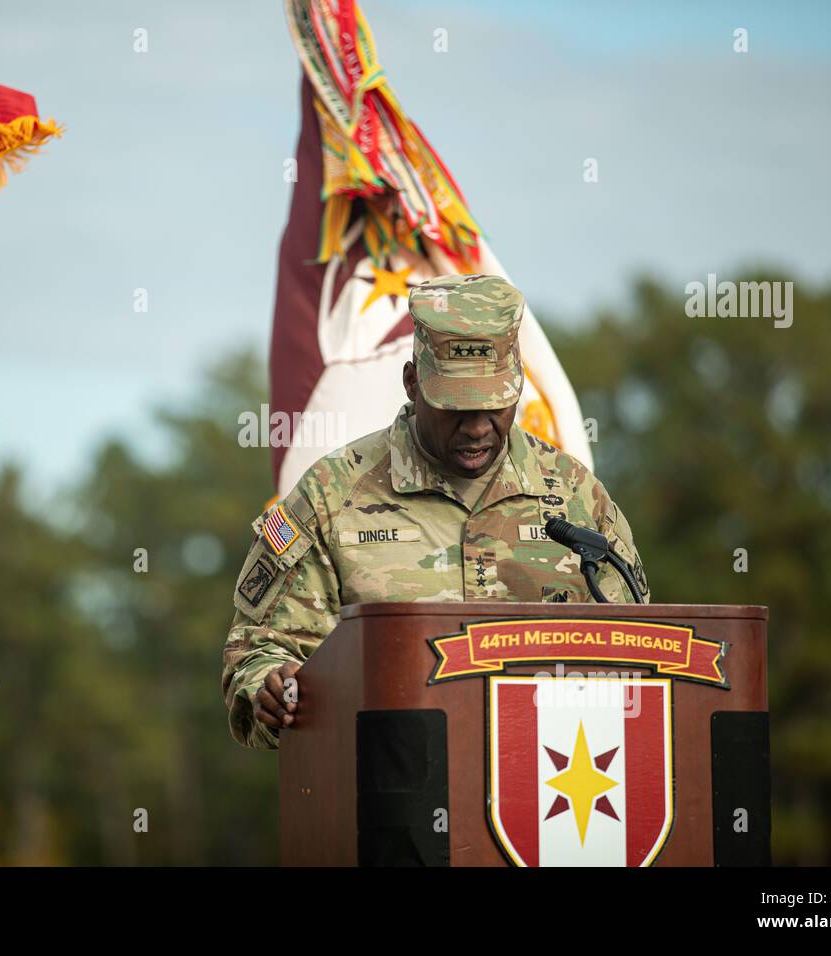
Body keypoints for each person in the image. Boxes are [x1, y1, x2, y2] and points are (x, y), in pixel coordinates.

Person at [221, 274, 650, 749]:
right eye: (456, 408)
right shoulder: (331, 496)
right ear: (411, 383)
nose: (477, 428)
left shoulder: (576, 497)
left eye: (494, 407)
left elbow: (639, 649)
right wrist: (270, 690)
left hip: (556, 787)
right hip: (389, 785)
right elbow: (257, 652)